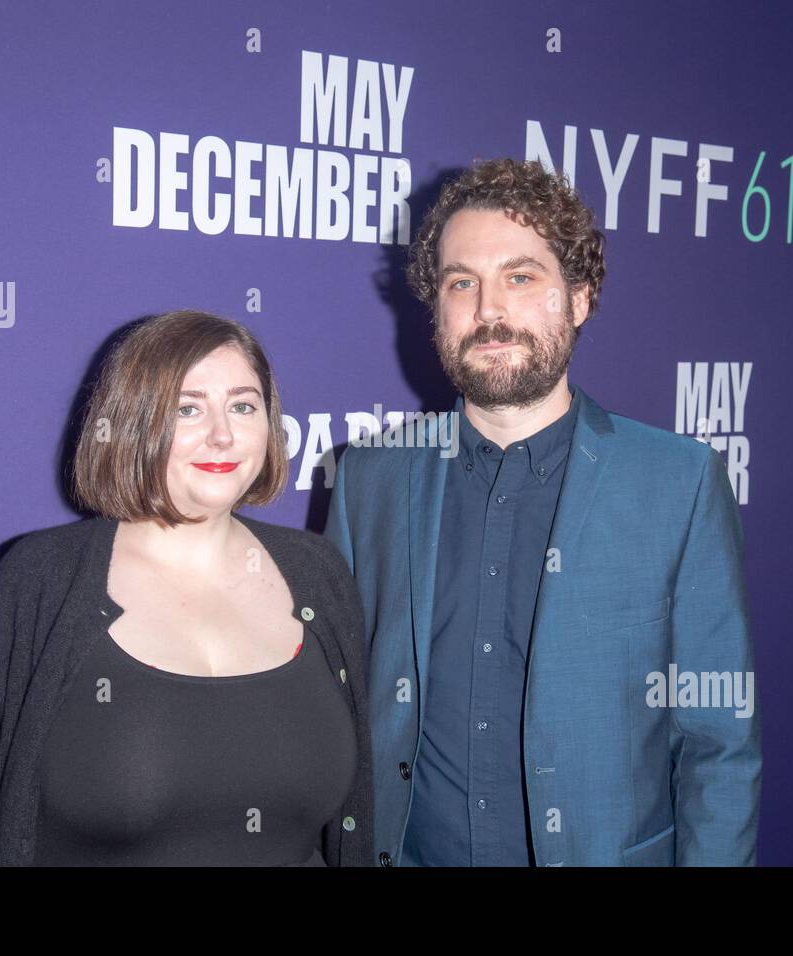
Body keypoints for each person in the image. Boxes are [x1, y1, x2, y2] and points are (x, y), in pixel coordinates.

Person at [324, 158, 761, 866]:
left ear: (580, 298)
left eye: (521, 278)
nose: (489, 310)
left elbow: (720, 746)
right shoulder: (370, 481)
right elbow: (337, 717)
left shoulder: (678, 485)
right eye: (461, 283)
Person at [0, 310, 373, 866]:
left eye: (243, 406)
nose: (222, 434)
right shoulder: (39, 582)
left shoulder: (317, 573)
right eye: (187, 408)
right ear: (130, 423)